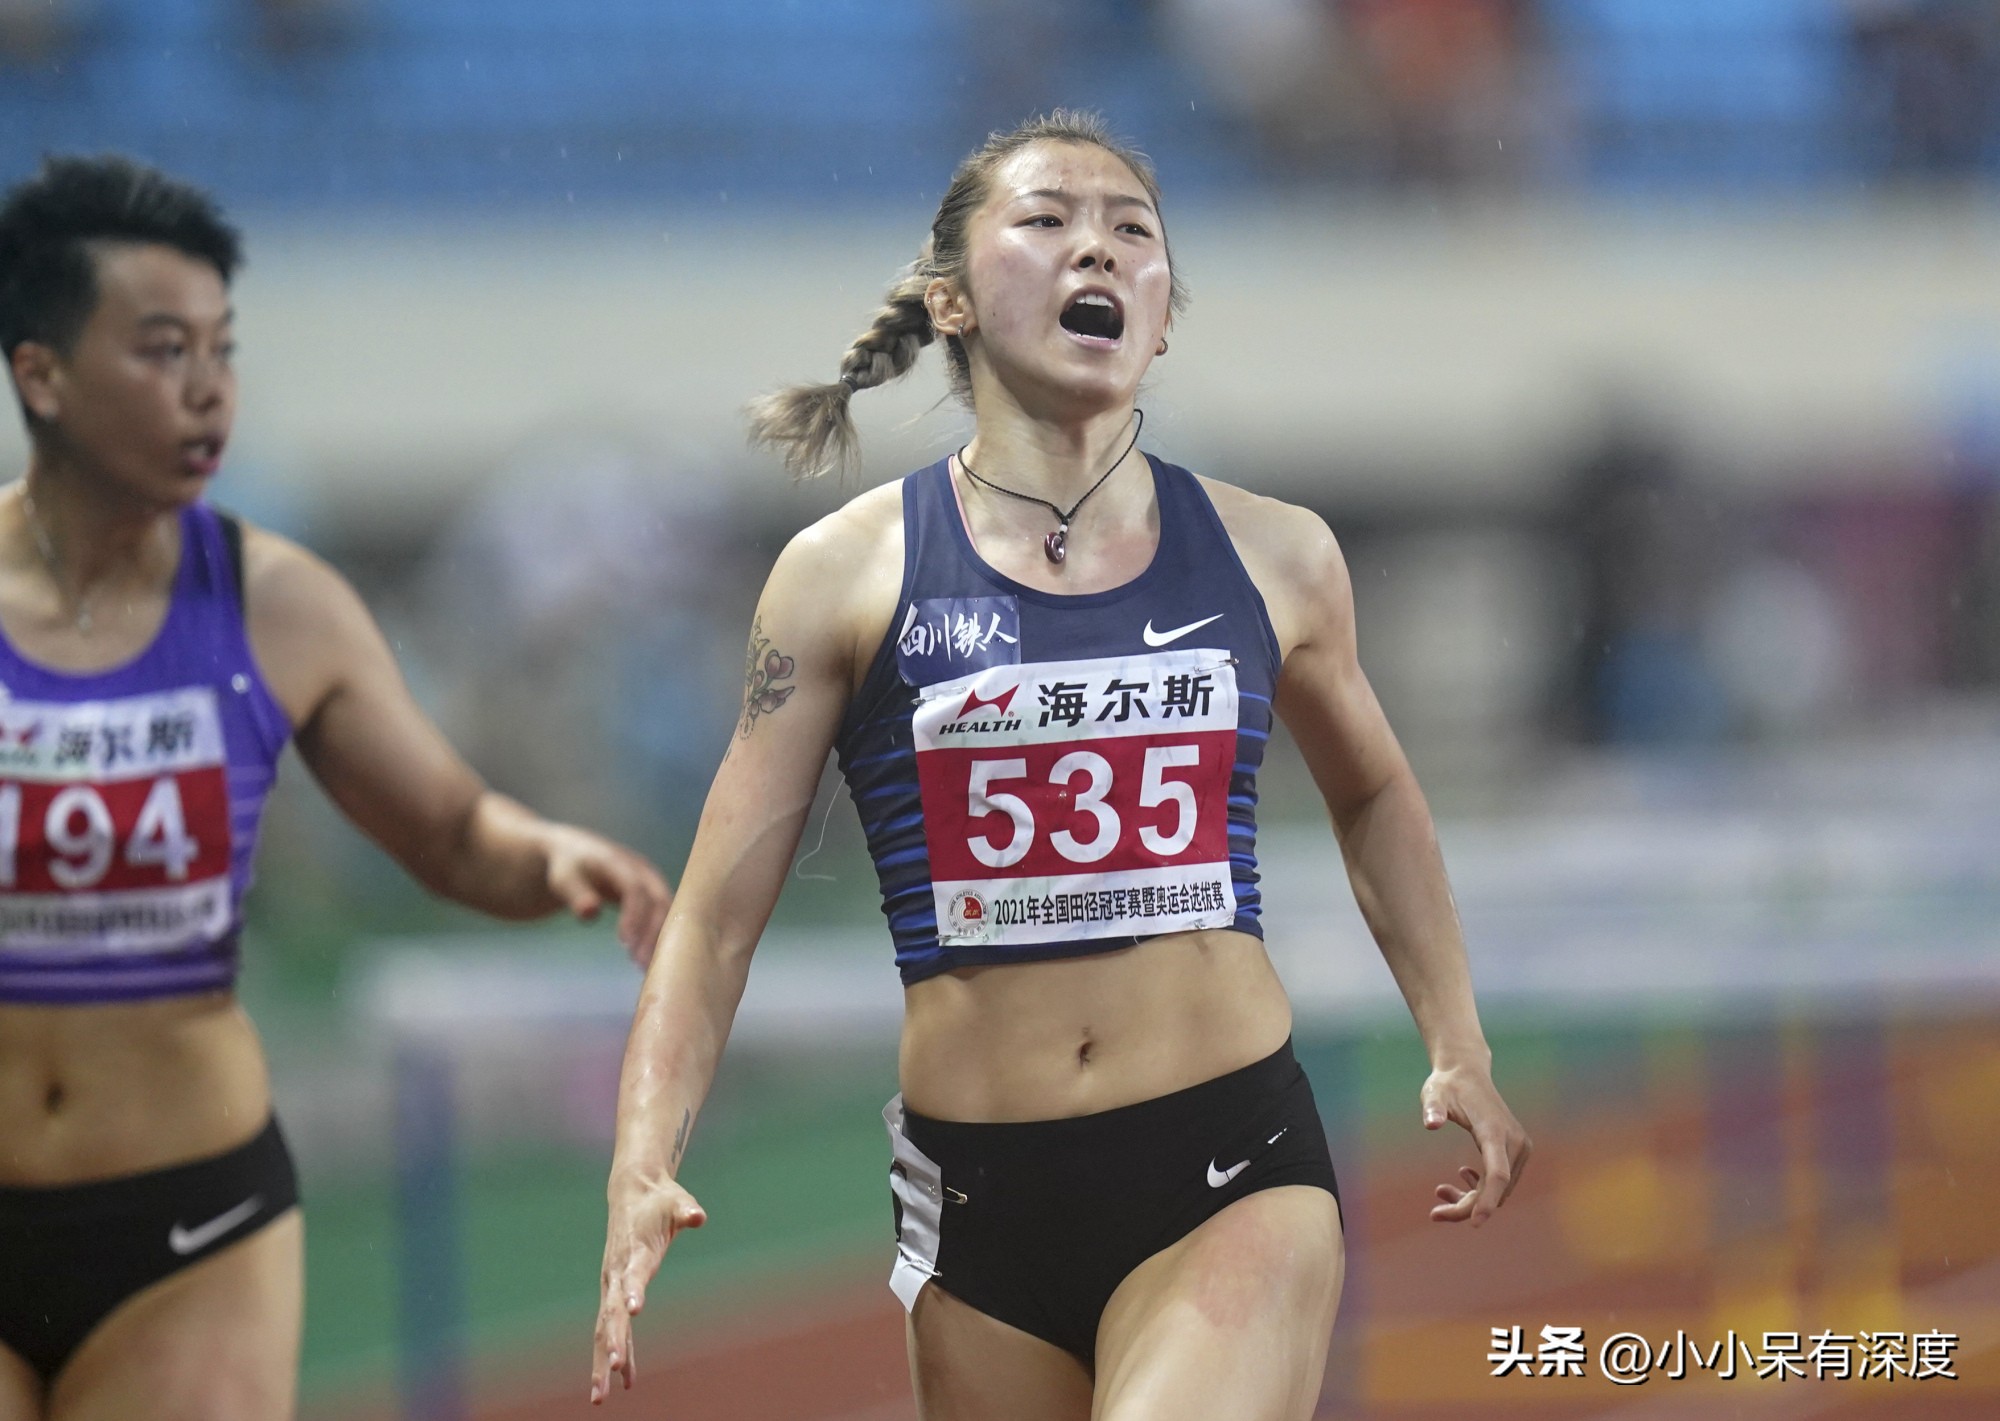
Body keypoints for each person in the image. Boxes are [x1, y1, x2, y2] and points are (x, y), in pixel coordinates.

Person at [592, 110, 1527, 1419]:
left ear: (1160, 315)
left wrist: (1456, 1038)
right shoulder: (842, 576)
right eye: (1046, 220)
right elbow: (714, 915)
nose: (1095, 243)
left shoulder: (1277, 556)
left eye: (1131, 229)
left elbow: (1371, 790)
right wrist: (644, 1157)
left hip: (1227, 1162)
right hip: (979, 1207)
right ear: (951, 301)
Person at [0, 155, 673, 1421]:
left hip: (184, 1221)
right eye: (159, 350)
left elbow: (449, 824)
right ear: (40, 371)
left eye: (221, 348)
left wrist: (548, 857)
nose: (206, 390)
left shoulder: (279, 604)